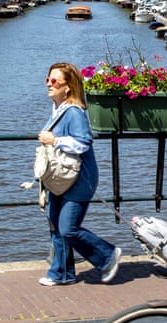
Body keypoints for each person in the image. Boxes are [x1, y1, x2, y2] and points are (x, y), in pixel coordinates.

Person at [38, 62, 121, 286]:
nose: (48, 84)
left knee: (68, 228)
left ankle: (107, 256)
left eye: (54, 81)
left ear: (68, 87)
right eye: (47, 79)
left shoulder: (74, 112)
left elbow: (84, 142)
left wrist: (54, 140)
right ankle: (62, 274)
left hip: (78, 179)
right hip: (60, 178)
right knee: (55, 224)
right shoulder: (57, 110)